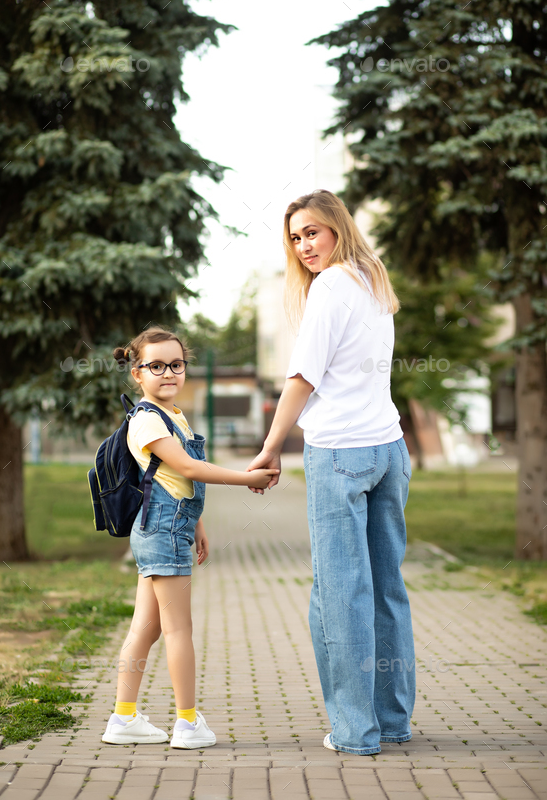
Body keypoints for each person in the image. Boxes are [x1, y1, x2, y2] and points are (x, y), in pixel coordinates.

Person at [247, 190, 416, 756]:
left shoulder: (330, 286)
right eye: (295, 238)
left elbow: (302, 377)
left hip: (340, 452)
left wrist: (270, 447)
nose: (304, 246)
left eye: (313, 232)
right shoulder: (373, 277)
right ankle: (391, 721)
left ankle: (354, 732)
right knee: (386, 587)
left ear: (338, 228)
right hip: (390, 449)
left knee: (341, 592)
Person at [102, 327, 279, 749]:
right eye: (156, 365)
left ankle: (123, 719)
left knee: (146, 629)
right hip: (161, 532)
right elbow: (191, 469)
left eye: (176, 365)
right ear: (137, 373)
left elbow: (171, 480)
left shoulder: (172, 414)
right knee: (179, 629)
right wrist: (248, 478)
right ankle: (187, 723)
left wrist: (197, 525)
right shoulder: (146, 420)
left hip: (167, 527)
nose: (168, 373)